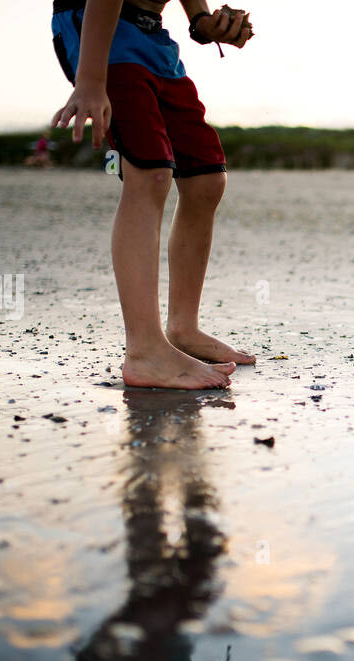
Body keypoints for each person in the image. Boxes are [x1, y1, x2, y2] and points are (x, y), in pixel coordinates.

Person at [50, 1, 256, 390]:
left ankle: (183, 328)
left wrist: (204, 22)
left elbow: (196, 20)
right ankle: (144, 351)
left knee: (206, 179)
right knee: (151, 174)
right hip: (100, 31)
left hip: (151, 35)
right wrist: (90, 81)